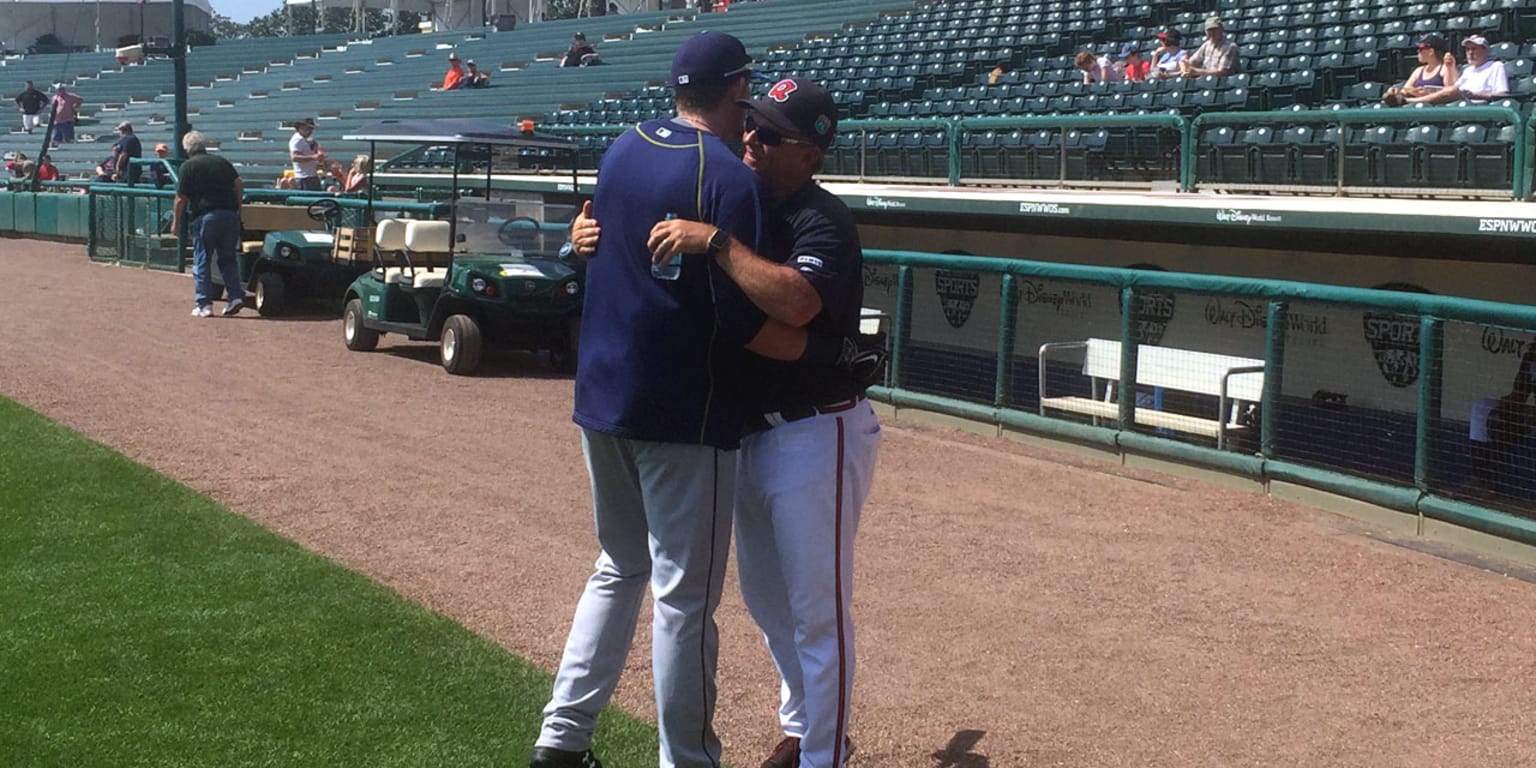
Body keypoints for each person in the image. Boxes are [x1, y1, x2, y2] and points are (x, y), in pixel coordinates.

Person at [531, 31, 772, 768]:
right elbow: (745, 315)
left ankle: (561, 742)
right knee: (684, 600)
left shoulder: (622, 148)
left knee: (619, 566)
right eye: (746, 90)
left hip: (602, 398)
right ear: (733, 91)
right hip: (682, 412)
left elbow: (593, 244)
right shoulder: (729, 175)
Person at [645, 77, 881, 768]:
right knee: (769, 603)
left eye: (772, 134)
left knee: (817, 611)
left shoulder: (821, 219)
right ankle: (803, 725)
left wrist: (718, 246)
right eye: (751, 123)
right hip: (754, 431)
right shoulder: (739, 195)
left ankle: (823, 756)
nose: (751, 137)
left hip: (819, 427)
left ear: (810, 154)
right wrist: (584, 230)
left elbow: (797, 303)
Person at [172, 130, 247, 318]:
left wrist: (175, 223)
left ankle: (204, 303)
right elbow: (239, 184)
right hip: (230, 214)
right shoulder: (221, 162)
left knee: (202, 258)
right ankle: (235, 296)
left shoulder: (188, 166)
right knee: (228, 258)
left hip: (206, 216)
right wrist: (238, 208)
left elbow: (180, 199)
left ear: (187, 149)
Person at [1469, 339, 1536, 492]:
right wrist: (1507, 403)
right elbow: (1519, 394)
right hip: (1530, 415)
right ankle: (1481, 480)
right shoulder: (1531, 358)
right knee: (1481, 406)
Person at [1417, 34, 1510, 104]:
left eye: (1474, 49)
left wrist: (1475, 95)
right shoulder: (1468, 70)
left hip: (1481, 106)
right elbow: (1454, 88)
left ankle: (1414, 101)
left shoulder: (1496, 66)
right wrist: (1451, 67)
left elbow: (1501, 95)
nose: (1470, 52)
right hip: (1460, 105)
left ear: (1484, 50)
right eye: (1468, 49)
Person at [1385, 34, 1459, 106]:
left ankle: (1410, 101)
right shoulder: (1419, 70)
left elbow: (1450, 91)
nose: (1418, 51)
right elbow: (1406, 89)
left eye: (1421, 48)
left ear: (1431, 51)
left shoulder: (1444, 68)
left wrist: (1428, 93)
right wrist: (1399, 92)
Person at [288, 117, 325, 191]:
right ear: (301, 127)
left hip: (311, 175)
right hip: (304, 178)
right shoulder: (297, 139)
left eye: (312, 129)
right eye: (308, 128)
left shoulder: (307, 139)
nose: (311, 131)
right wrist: (314, 157)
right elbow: (294, 157)